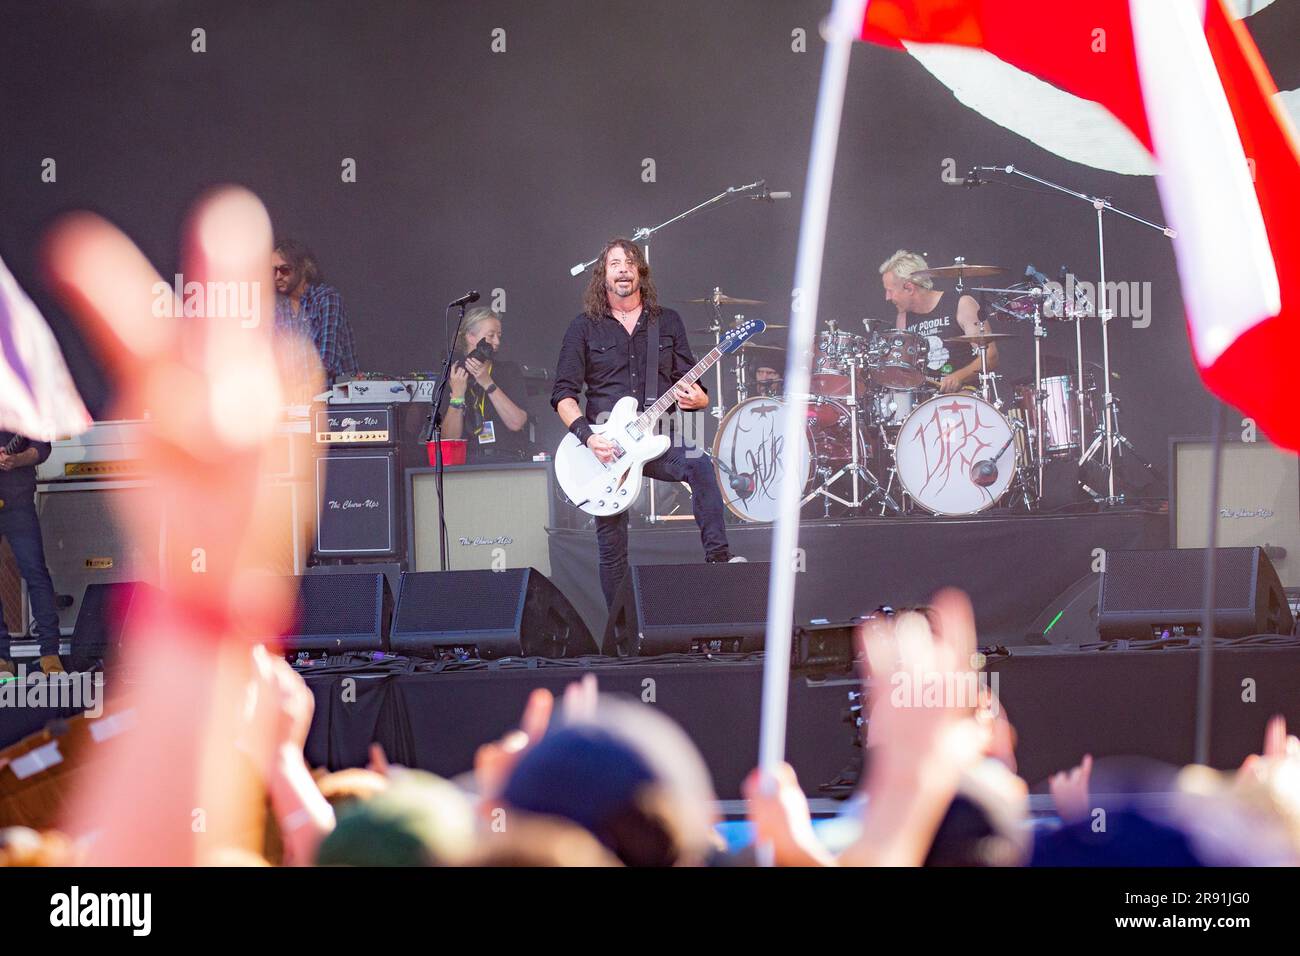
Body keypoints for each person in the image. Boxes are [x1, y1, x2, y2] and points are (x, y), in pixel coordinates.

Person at [550, 239, 740, 610]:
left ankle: (719, 560)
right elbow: (563, 395)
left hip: (658, 435)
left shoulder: (666, 322)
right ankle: (621, 633)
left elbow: (692, 382)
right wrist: (588, 439)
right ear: (602, 275)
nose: (623, 269)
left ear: (641, 273)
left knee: (700, 465)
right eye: (614, 263)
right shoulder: (584, 327)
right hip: (603, 443)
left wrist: (700, 399)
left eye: (630, 262)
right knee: (612, 540)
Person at [879, 249, 996, 394]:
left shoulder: (961, 304)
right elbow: (904, 371)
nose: (887, 297)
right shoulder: (903, 319)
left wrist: (958, 377)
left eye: (890, 291)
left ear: (909, 288)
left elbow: (990, 356)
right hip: (923, 400)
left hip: (965, 393)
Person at [0, 433, 64, 677]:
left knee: (35, 573)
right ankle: (2, 658)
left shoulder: (24, 403)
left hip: (18, 503)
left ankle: (50, 654)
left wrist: (16, 460)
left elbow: (42, 448)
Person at [439, 307, 531, 462]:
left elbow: (517, 423)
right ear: (470, 336)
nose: (497, 341)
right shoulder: (453, 374)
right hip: (466, 462)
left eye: (499, 336)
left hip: (506, 459)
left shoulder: (508, 371)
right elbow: (448, 440)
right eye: (491, 335)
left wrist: (488, 383)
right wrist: (457, 396)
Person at [272, 239, 359, 389]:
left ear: (303, 268)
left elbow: (327, 361)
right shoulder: (280, 310)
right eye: (273, 271)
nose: (277, 276)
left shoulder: (327, 299)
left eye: (284, 269)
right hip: (297, 404)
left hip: (335, 403)